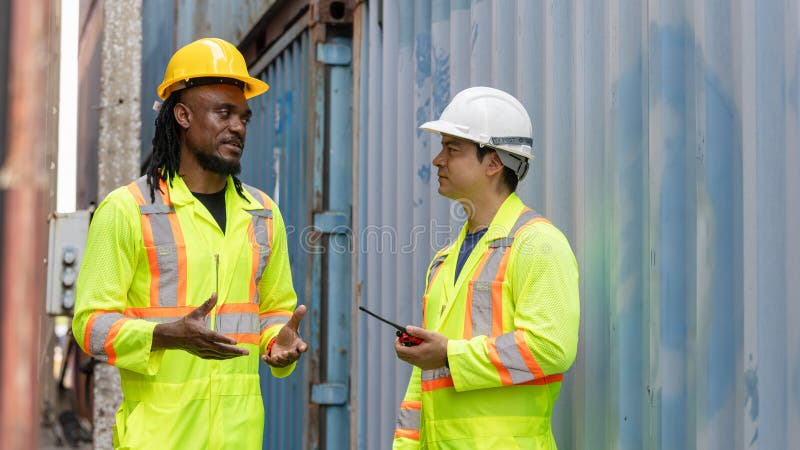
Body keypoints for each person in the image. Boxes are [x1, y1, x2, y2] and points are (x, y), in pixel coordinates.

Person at [72, 37, 308, 449]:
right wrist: (163, 335)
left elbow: (273, 312)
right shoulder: (128, 209)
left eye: (244, 117)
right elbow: (89, 326)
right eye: (224, 112)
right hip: (160, 439)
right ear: (182, 115)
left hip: (240, 439)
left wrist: (278, 341)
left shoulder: (263, 213)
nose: (237, 126)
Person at [392, 87, 580, 449]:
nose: (437, 160)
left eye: (452, 149)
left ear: (493, 163)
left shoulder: (538, 243)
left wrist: (450, 354)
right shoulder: (444, 260)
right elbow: (424, 380)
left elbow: (551, 349)